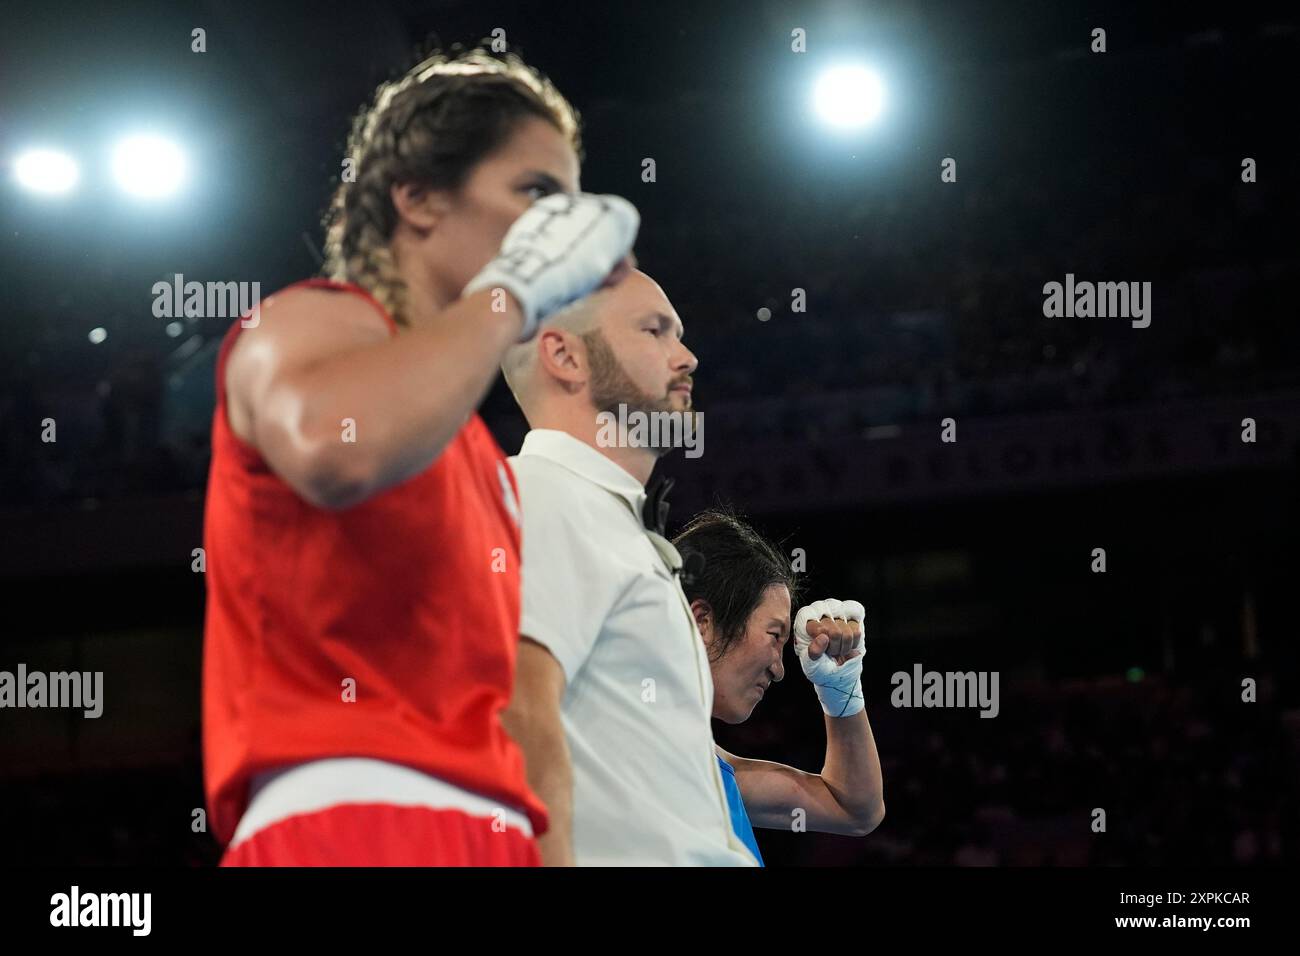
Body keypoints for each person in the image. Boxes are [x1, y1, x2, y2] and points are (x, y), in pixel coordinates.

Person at [202, 47, 638, 866]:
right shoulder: (302, 327)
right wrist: (506, 295)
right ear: (418, 197)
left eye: (573, 206)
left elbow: (510, 712)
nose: (562, 231)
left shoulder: (480, 457)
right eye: (537, 193)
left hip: (498, 836)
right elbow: (337, 453)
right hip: (351, 822)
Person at [500, 270, 757, 865]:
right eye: (655, 331)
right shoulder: (540, 492)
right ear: (564, 355)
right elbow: (515, 712)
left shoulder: (602, 516)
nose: (687, 357)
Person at [673, 510, 886, 865]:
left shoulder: (712, 774)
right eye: (774, 636)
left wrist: (841, 689)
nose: (779, 669)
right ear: (703, 622)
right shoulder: (598, 743)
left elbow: (855, 810)